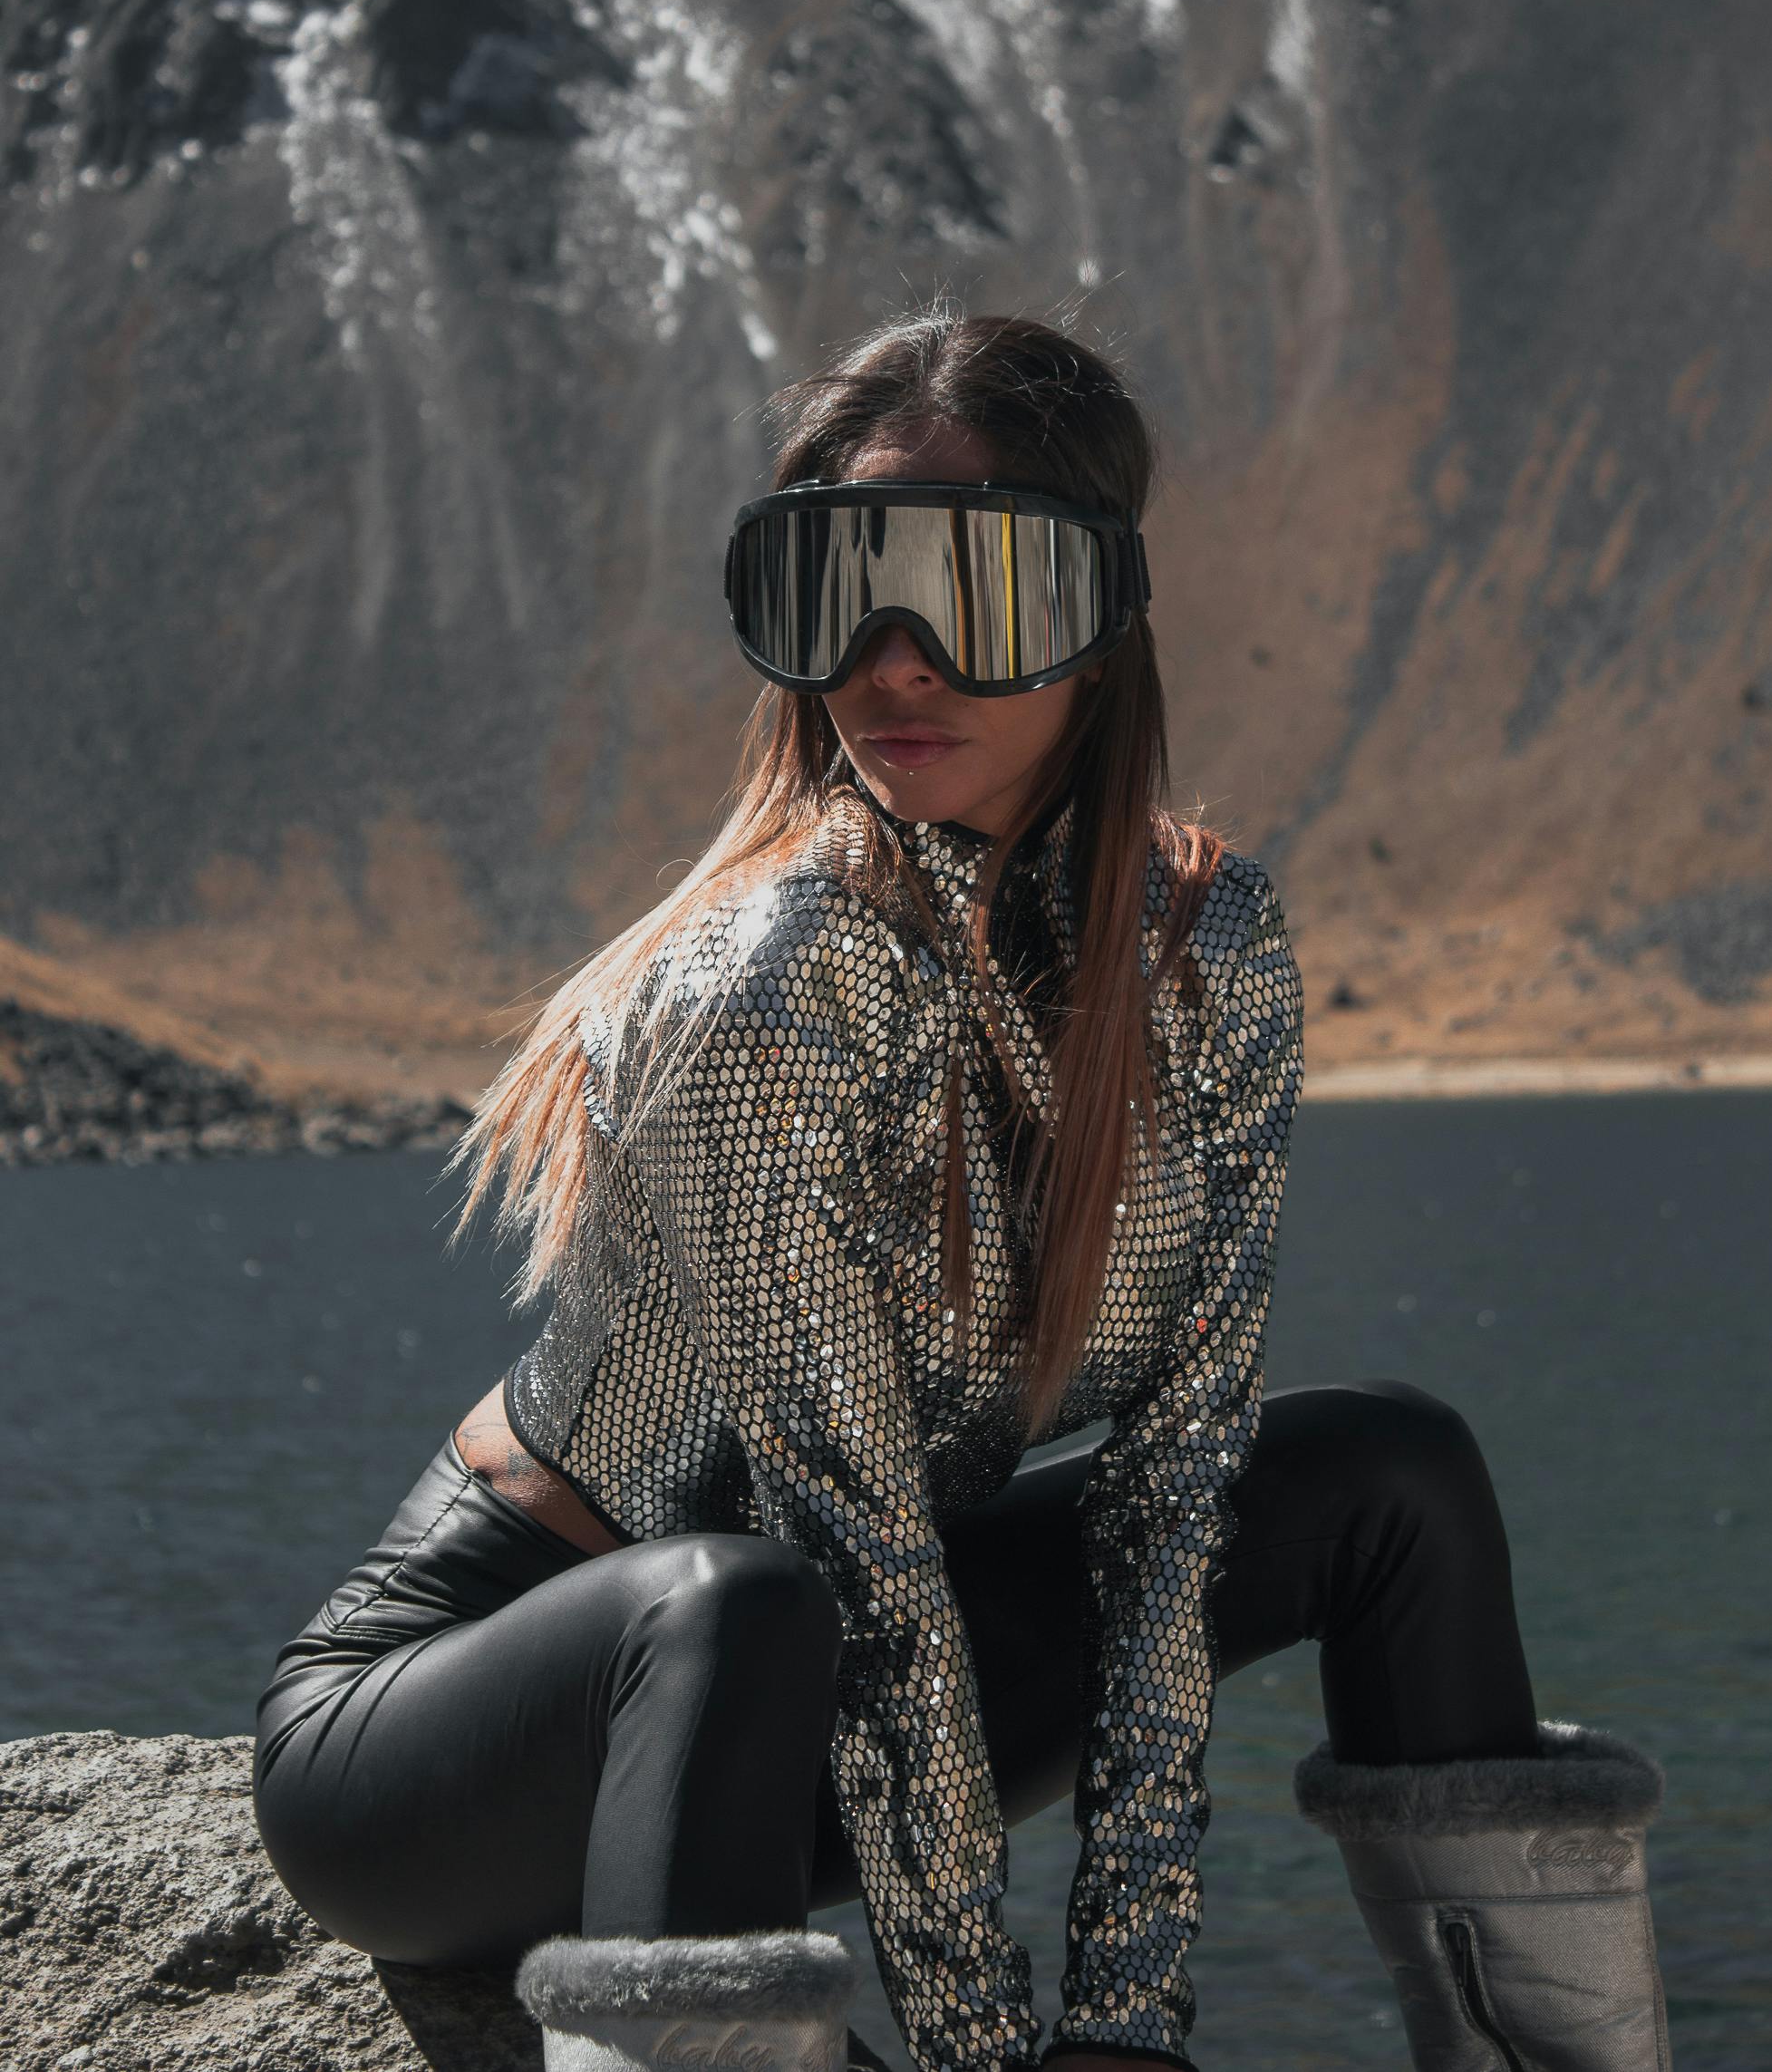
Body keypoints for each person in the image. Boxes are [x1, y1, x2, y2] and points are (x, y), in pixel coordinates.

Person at [255, 308, 1671, 2072]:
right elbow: (851, 1568)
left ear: (1097, 620)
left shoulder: (1208, 955)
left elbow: (1174, 1516)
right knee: (735, 1601)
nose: (894, 659)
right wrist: (991, 2050)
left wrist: (1131, 2026)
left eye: (972, 588)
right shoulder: (768, 985)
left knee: (1391, 1477)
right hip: (462, 1739)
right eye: (837, 583)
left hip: (793, 1722)